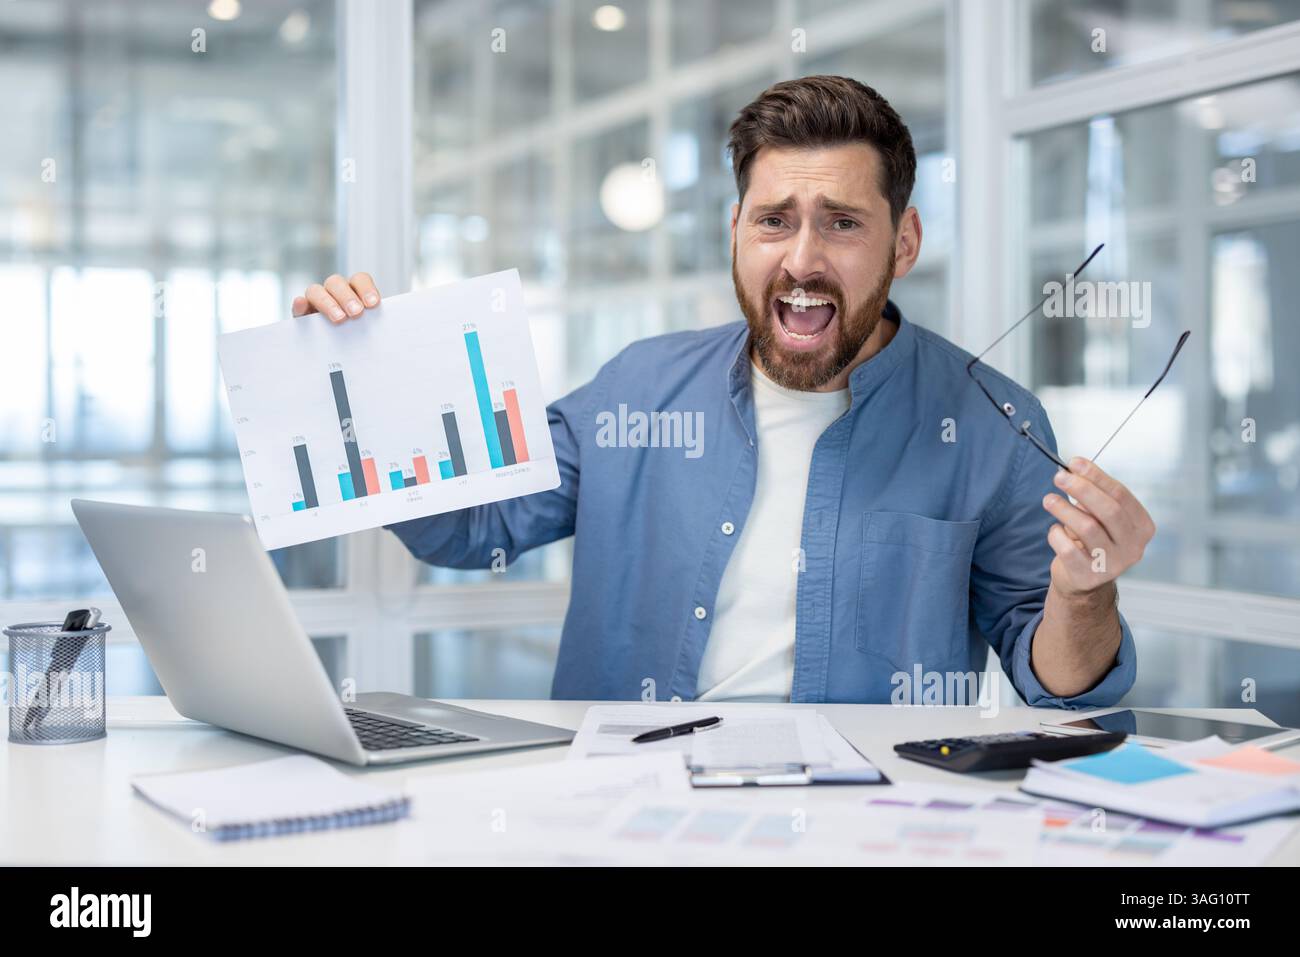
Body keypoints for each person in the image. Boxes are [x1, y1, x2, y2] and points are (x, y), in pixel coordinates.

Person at [291, 75, 1151, 705]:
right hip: (615, 811)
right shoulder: (639, 387)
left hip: (864, 833)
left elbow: (1062, 688)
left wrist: (1085, 594)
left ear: (905, 241)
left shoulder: (992, 426)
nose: (804, 260)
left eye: (843, 224)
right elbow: (472, 526)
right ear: (735, 231)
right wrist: (363, 382)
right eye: (775, 219)